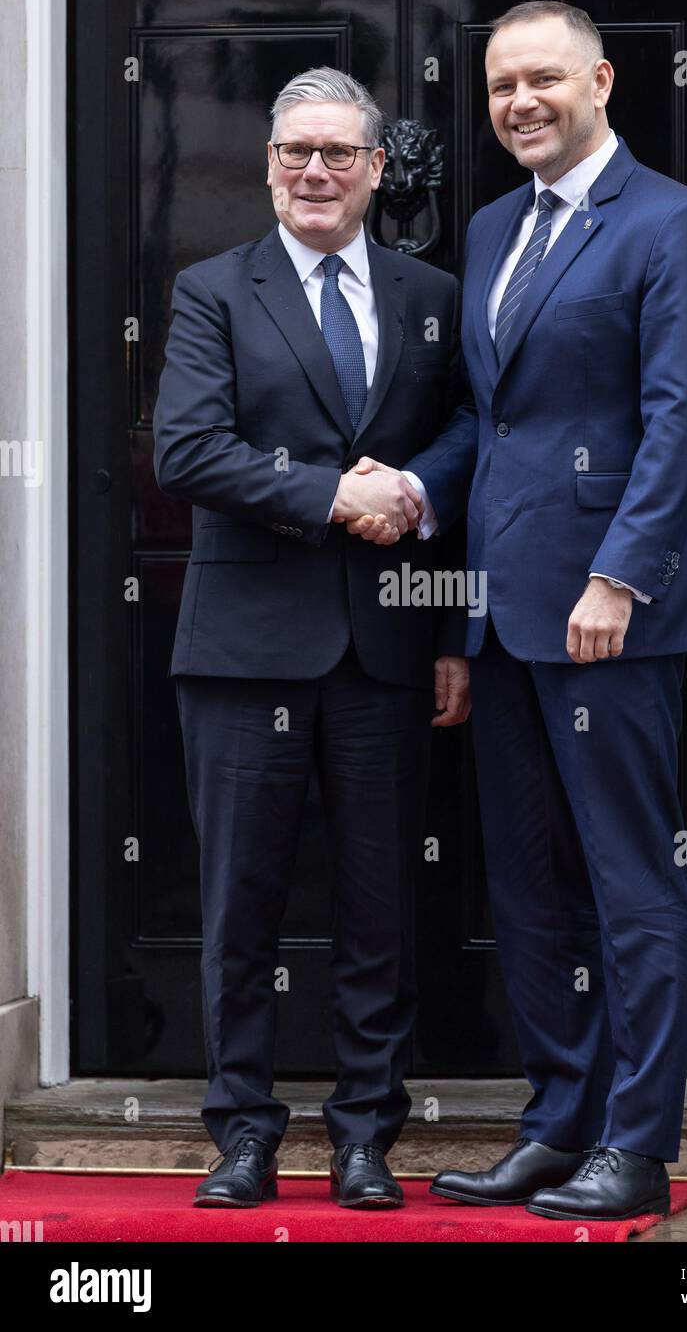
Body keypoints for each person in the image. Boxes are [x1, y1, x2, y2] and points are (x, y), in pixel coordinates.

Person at [353, 0, 687, 1221]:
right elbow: (496, 426)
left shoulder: (677, 227)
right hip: (505, 621)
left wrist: (618, 577)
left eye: (542, 79)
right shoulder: (491, 229)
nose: (520, 102)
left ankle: (633, 1142)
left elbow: (683, 422)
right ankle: (555, 1121)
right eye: (500, 86)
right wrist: (421, 503)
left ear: (601, 80)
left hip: (608, 618)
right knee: (526, 886)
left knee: (629, 881)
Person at [153, 66, 470, 1210]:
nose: (315, 172)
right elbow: (185, 450)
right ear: (270, 165)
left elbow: (463, 438)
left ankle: (363, 1136)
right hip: (244, 652)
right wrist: (332, 494)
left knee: (380, 905)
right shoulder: (211, 292)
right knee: (239, 905)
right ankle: (240, 1131)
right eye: (296, 153)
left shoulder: (430, 292)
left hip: (386, 650)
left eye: (339, 153)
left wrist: (444, 614)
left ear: (376, 169)